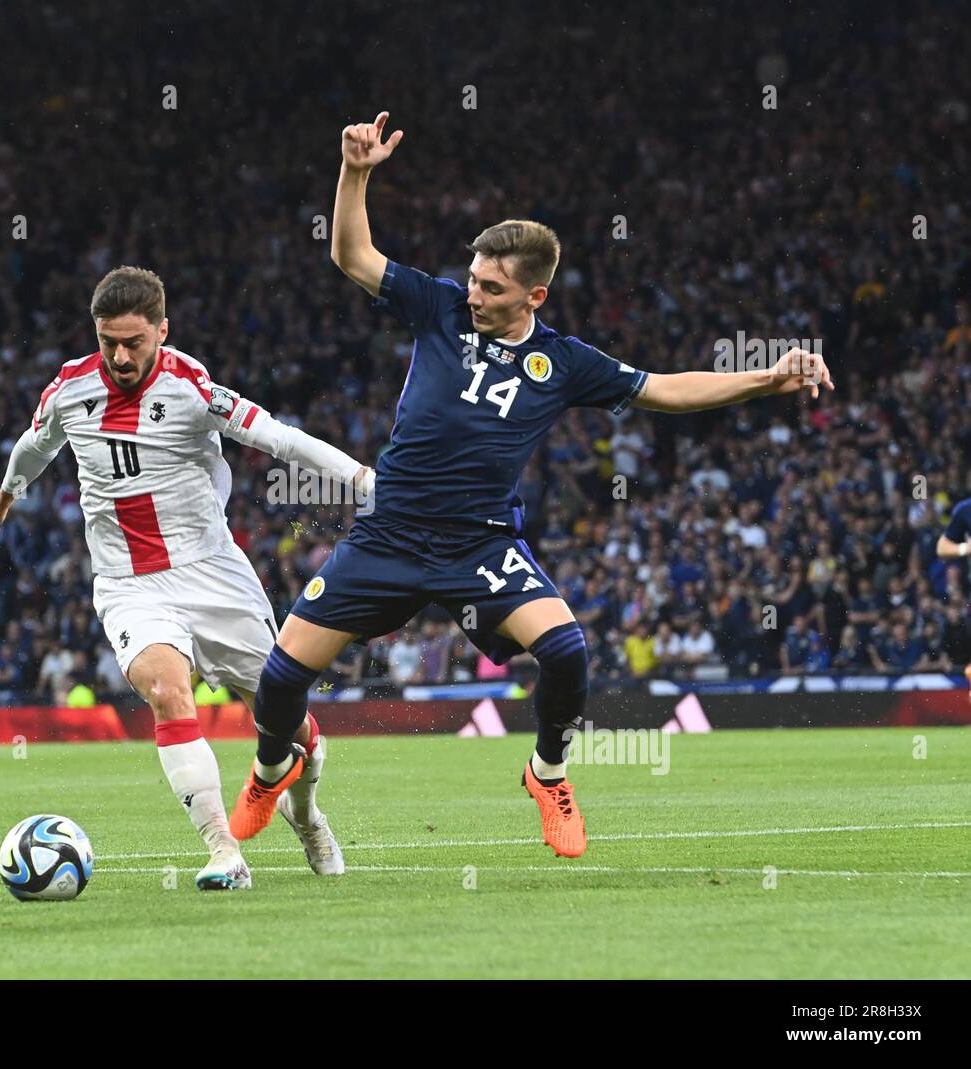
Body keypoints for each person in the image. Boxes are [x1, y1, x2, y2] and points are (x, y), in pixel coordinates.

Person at [229, 110, 835, 860]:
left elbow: (668, 390)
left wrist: (768, 376)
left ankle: (547, 773)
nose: (474, 294)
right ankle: (270, 768)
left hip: (479, 543)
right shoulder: (438, 306)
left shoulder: (565, 362)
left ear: (534, 296)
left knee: (567, 649)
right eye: (474, 279)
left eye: (490, 286)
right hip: (389, 531)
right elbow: (354, 255)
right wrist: (356, 171)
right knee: (282, 675)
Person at [0, 266, 373, 890]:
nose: (121, 355)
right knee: (166, 689)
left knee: (284, 720)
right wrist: (6, 493)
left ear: (163, 329)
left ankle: (308, 814)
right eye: (109, 342)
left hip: (211, 572)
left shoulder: (192, 387)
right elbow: (36, 444)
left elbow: (282, 441)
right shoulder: (70, 389)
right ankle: (223, 853)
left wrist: (365, 482)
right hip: (129, 582)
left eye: (135, 341)